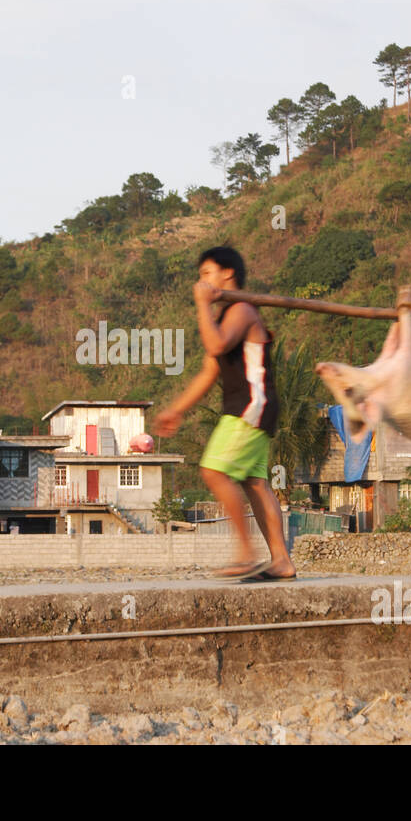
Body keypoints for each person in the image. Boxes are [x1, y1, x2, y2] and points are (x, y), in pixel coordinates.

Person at [152, 246, 296, 581]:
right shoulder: (225, 317)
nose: (200, 281)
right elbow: (208, 370)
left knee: (214, 471)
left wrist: (203, 304)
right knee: (256, 483)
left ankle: (246, 554)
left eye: (206, 273)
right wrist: (177, 409)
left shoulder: (243, 310)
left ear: (227, 274)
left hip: (250, 404)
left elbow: (216, 346)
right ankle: (282, 561)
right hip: (256, 407)